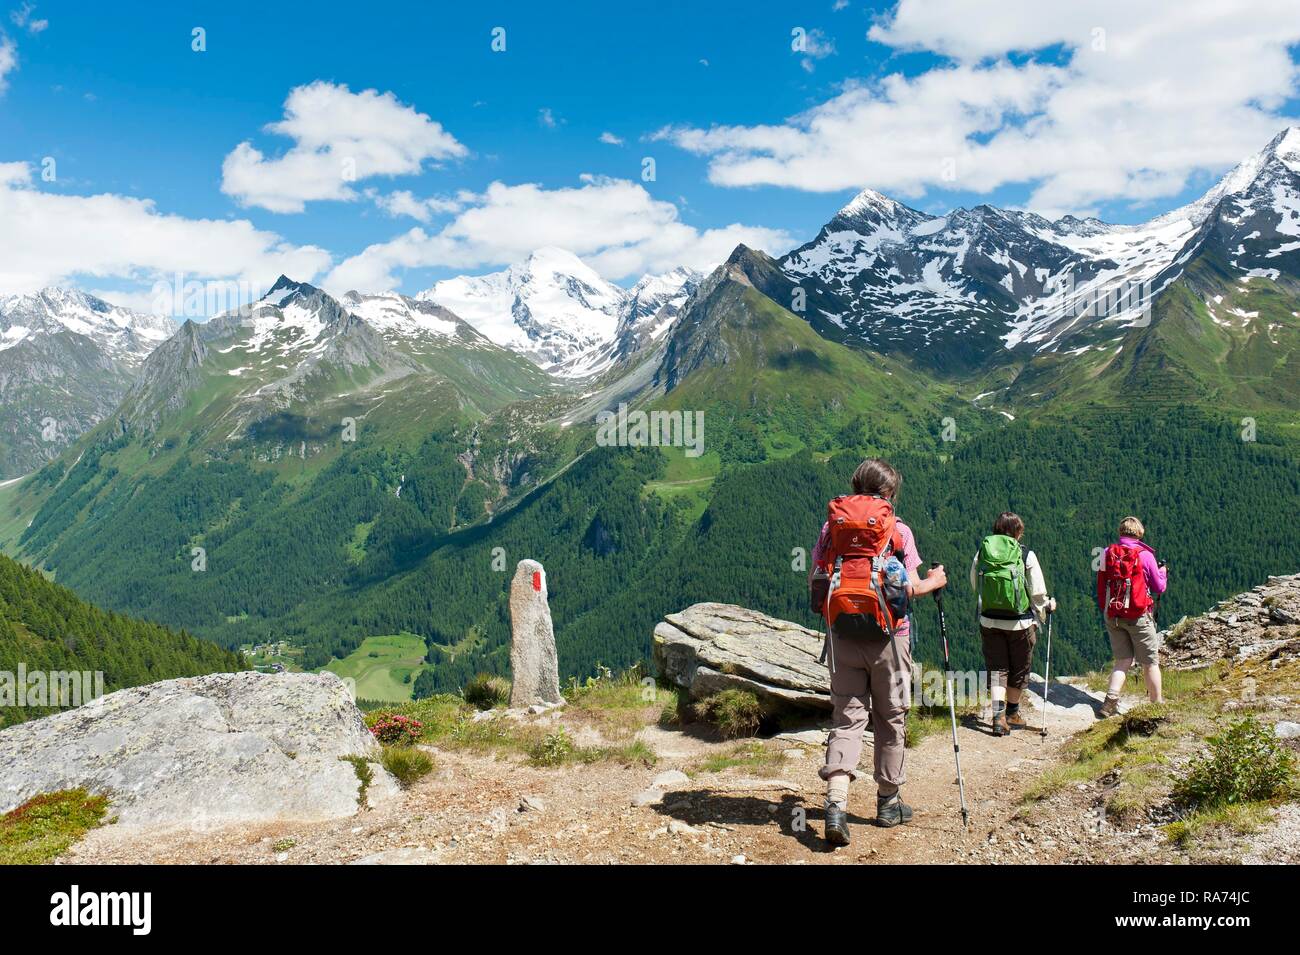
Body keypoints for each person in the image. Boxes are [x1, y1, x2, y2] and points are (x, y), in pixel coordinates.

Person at [810, 458, 947, 846]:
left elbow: (816, 578)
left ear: (854, 486)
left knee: (847, 719)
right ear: (888, 494)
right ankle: (888, 802)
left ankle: (835, 803)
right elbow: (911, 587)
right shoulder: (898, 530)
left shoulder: (831, 527)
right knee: (890, 718)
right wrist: (936, 579)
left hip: (842, 635)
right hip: (890, 636)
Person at [970, 512, 1055, 736]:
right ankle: (1012, 713)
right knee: (1019, 669)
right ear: (1019, 532)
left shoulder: (983, 552)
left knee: (997, 669)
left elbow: (974, 583)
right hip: (1020, 623)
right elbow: (1037, 591)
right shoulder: (1025, 554)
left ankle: (997, 716)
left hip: (989, 620)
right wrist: (1046, 607)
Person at [1096, 516, 1168, 716]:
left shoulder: (1106, 553)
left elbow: (1101, 583)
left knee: (1122, 660)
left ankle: (1109, 702)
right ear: (1139, 533)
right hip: (1138, 616)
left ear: (1120, 532)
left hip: (1113, 614)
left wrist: (1105, 609)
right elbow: (1158, 586)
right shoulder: (1145, 555)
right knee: (1150, 662)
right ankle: (1157, 705)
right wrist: (1162, 572)